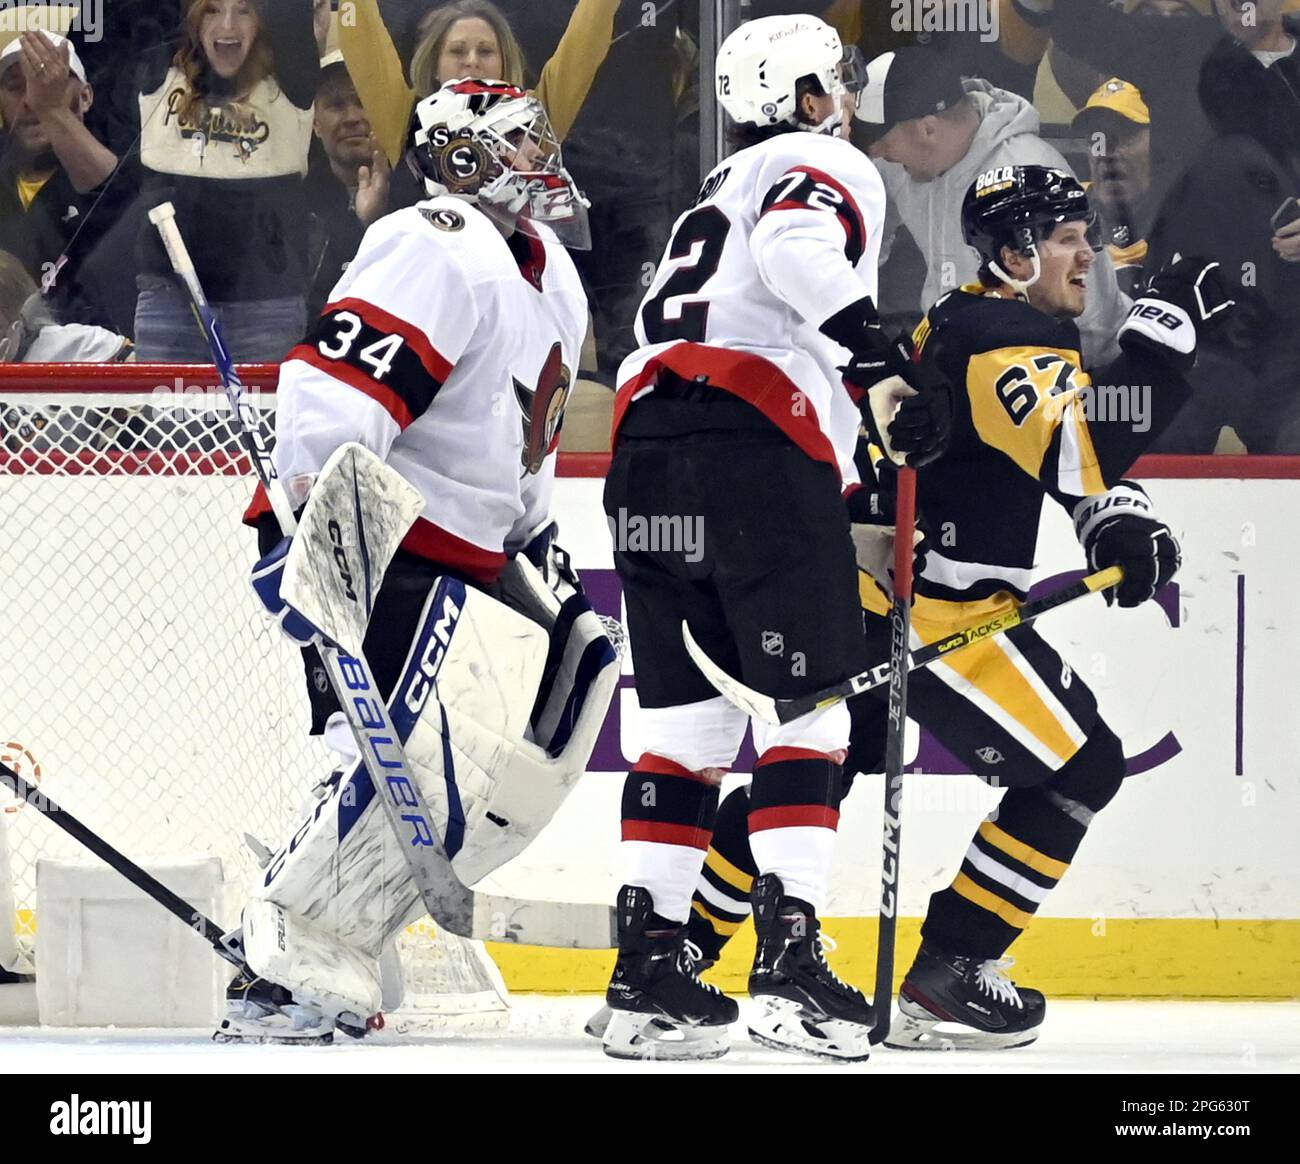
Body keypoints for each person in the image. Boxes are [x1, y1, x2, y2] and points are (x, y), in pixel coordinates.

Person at [649, 166, 1235, 1052]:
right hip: (941, 611)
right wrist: (1166, 342)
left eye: (1087, 234)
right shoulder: (1004, 336)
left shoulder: (963, 321)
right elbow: (1086, 447)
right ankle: (951, 972)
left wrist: (1115, 516)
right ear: (1013, 253)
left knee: (821, 770)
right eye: (1069, 238)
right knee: (1082, 770)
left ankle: (680, 958)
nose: (1090, 254)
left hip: (866, 589)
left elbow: (1040, 464)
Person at [599, 13, 952, 1063]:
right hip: (747, 446)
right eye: (830, 82)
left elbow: (746, 307)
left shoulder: (706, 199)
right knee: (811, 714)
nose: (841, 99)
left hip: (644, 455)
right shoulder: (817, 160)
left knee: (687, 733)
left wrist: (852, 458)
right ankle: (788, 964)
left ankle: (647, 974)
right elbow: (798, 253)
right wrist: (879, 359)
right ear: (803, 98)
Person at [222, 78, 604, 1041]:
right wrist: (318, 532)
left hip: (469, 553)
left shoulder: (549, 265)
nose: (540, 154)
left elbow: (533, 433)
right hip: (379, 539)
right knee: (417, 765)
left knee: (478, 756)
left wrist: (533, 541)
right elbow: (335, 389)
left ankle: (334, 933)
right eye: (515, 141)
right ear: (463, 157)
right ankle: (287, 957)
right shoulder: (435, 240)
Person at [858, 45, 1133, 363]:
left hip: (1047, 370)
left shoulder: (1032, 178)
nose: (876, 151)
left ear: (928, 129)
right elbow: (863, 227)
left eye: (882, 140)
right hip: (950, 354)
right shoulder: (902, 163)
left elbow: (1092, 325)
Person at [131, 0, 319, 362]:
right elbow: (146, 13)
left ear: (263, 21)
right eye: (212, 10)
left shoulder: (289, 81)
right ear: (192, 21)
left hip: (266, 307)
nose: (228, 25)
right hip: (170, 302)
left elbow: (292, 15)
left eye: (245, 10)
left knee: (262, 421)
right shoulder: (160, 72)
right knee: (171, 422)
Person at [0, 30, 131, 332]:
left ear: (85, 96)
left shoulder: (121, 175)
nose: (32, 102)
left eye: (49, 85)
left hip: (87, 362)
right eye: (16, 87)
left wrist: (54, 111)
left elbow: (115, 192)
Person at [303, 51, 389, 318]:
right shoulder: (299, 203)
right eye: (336, 105)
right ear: (315, 124)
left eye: (362, 102)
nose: (352, 117)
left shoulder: (417, 194)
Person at [1072, 79, 1155, 296]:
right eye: (1096, 139)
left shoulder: (1186, 216)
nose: (1105, 153)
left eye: (1124, 135)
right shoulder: (1064, 213)